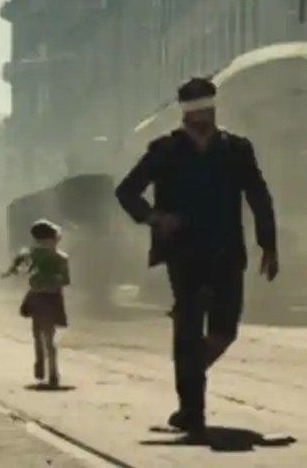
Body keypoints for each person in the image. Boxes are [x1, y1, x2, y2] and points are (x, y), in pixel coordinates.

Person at [115, 76, 278, 436]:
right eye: (196, 110)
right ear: (186, 114)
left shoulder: (236, 149)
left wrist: (269, 243)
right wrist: (156, 218)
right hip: (184, 252)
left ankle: (190, 372)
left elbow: (258, 195)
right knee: (188, 327)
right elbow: (127, 191)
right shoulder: (165, 150)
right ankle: (192, 410)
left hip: (227, 251)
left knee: (225, 329)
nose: (203, 116)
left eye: (208, 108)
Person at [1, 220, 71, 387]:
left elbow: (18, 267)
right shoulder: (58, 257)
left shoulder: (34, 254)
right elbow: (66, 280)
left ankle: (46, 369)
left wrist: (10, 272)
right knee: (45, 336)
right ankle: (49, 371)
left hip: (42, 297)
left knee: (43, 336)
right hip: (49, 297)